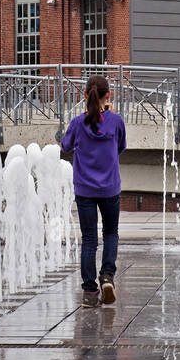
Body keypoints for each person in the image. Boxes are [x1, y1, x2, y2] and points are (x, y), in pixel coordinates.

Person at [60, 74, 126, 308]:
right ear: (109, 95)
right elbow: (120, 147)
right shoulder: (116, 121)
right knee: (110, 233)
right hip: (109, 187)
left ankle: (89, 292)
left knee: (89, 239)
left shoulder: (78, 123)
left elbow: (65, 146)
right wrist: (108, 114)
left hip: (85, 188)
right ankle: (107, 276)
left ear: (85, 95)